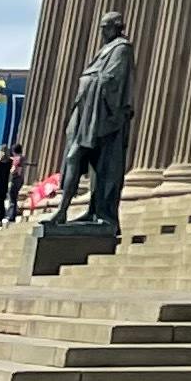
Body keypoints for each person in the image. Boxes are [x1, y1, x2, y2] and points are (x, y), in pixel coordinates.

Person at [45, 16, 136, 242]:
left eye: (105, 27)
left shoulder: (121, 48)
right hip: (87, 111)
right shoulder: (106, 49)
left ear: (116, 27)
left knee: (90, 161)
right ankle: (74, 209)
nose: (102, 31)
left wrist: (89, 81)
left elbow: (113, 80)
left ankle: (88, 211)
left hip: (102, 116)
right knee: (77, 159)